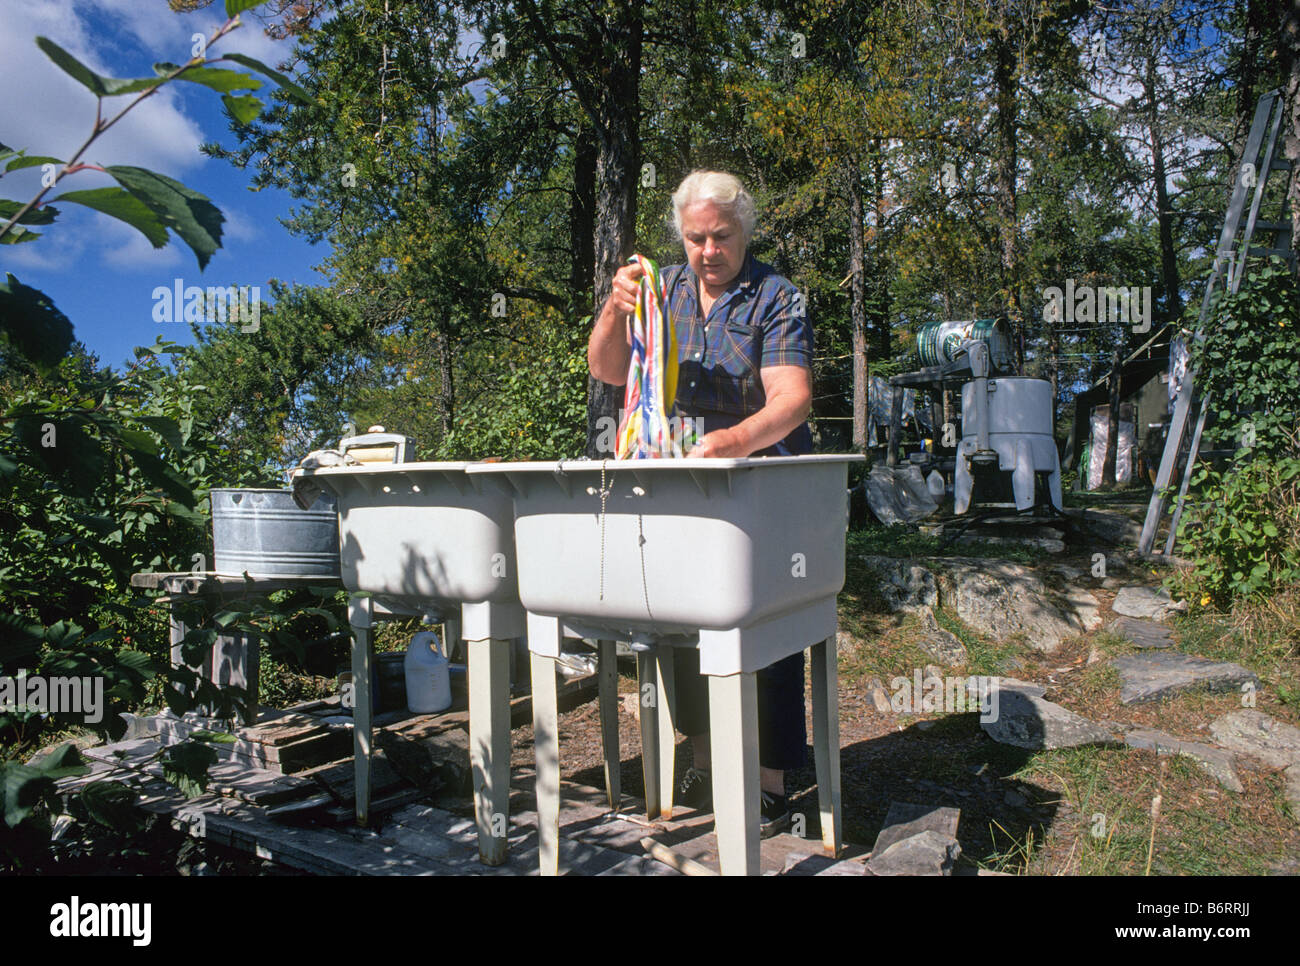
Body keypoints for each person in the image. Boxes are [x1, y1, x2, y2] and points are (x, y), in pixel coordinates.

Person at [587, 169, 814, 836]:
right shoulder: (661, 289)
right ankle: (709, 758)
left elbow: (792, 397)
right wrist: (613, 308)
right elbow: (607, 368)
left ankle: (770, 782)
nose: (708, 251)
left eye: (721, 237)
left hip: (759, 478)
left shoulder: (776, 296)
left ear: (745, 230)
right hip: (678, 478)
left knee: (766, 622)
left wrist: (735, 441)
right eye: (695, 239)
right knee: (680, 619)